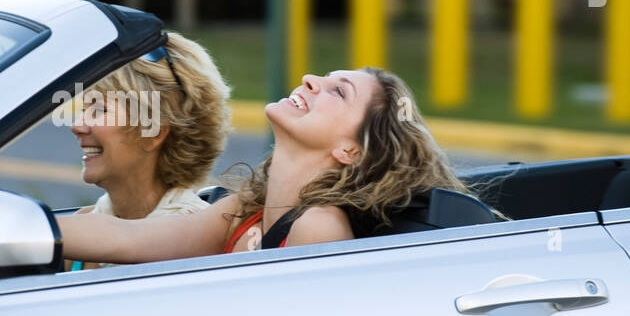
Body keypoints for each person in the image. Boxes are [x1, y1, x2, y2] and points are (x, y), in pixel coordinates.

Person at [50, 66, 474, 263]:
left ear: (352, 151)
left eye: (337, 92)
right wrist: (22, 225)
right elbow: (128, 239)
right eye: (324, 77)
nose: (310, 80)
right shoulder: (244, 209)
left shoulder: (318, 228)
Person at [64, 33, 231, 269]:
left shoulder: (190, 245)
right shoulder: (83, 223)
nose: (76, 125)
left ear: (153, 132)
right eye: (84, 108)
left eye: (99, 109)